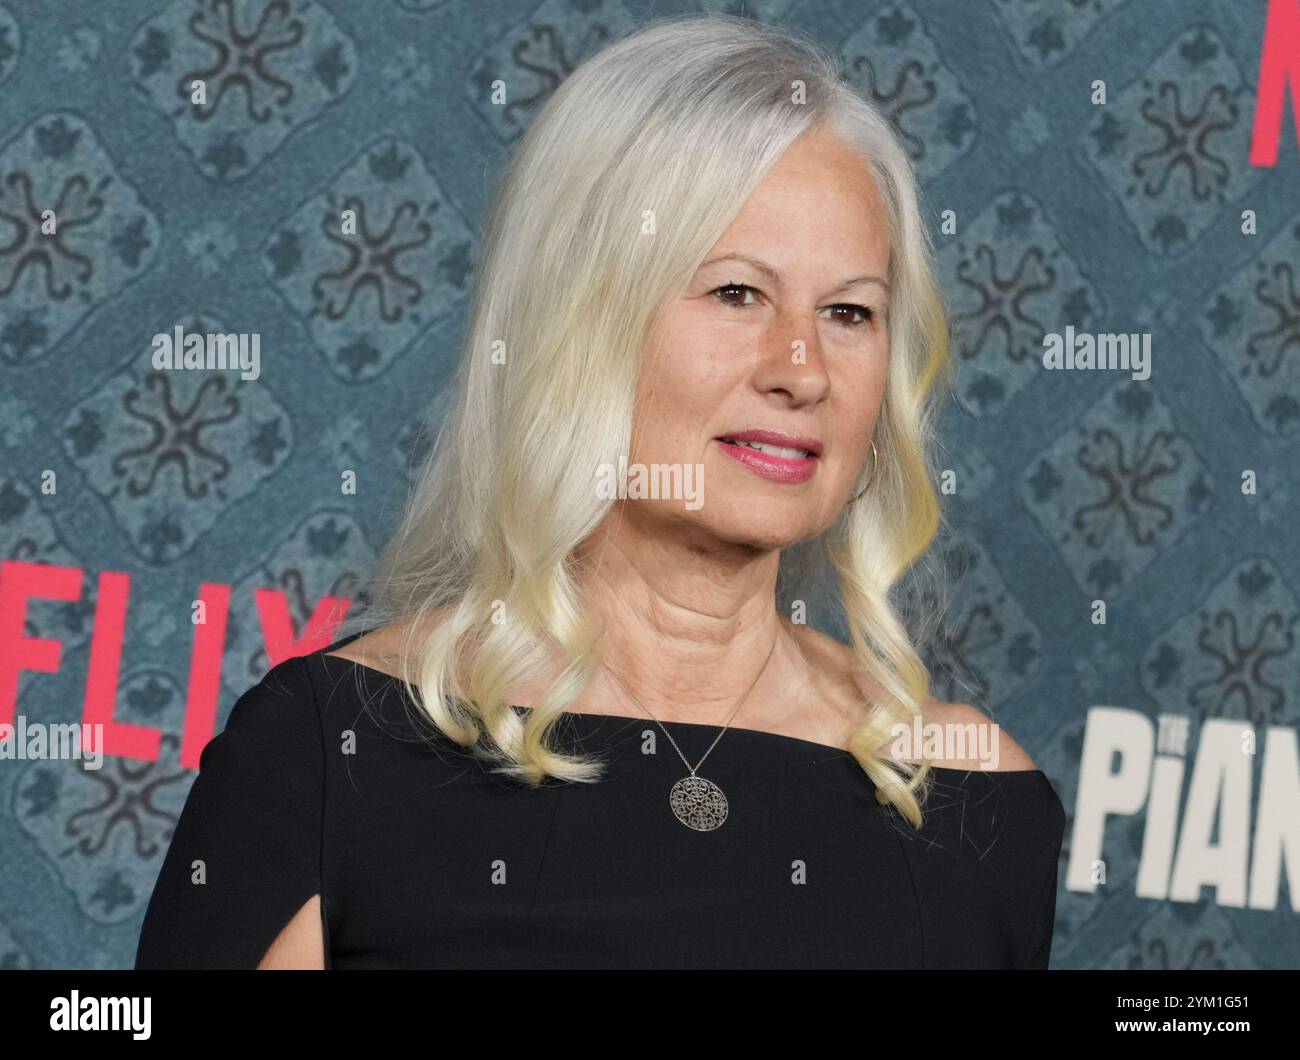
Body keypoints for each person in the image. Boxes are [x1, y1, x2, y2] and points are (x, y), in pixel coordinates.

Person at [135, 13, 1066, 970]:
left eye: (849, 312)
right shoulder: (333, 750)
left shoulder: (970, 791)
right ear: (580, 323)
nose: (804, 369)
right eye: (737, 293)